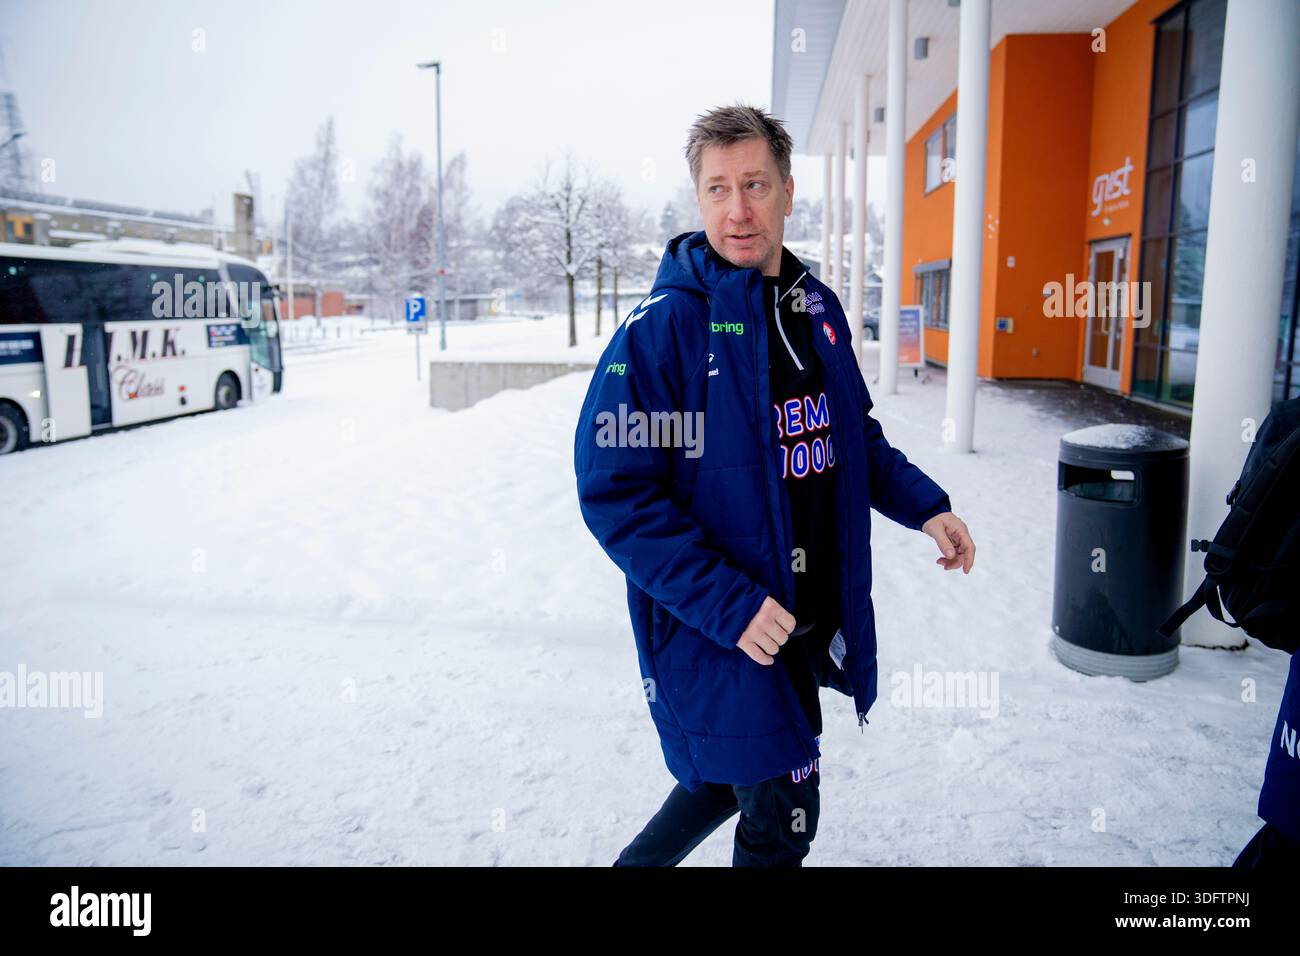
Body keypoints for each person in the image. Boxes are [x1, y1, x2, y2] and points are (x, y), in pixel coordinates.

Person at [573, 103, 975, 867]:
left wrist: (928, 506)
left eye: (756, 184)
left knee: (730, 778)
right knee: (785, 812)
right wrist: (729, 605)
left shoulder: (814, 310)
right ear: (698, 201)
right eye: (718, 189)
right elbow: (616, 495)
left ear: (789, 191)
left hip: (805, 616)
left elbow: (851, 437)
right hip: (725, 629)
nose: (739, 208)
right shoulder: (661, 334)